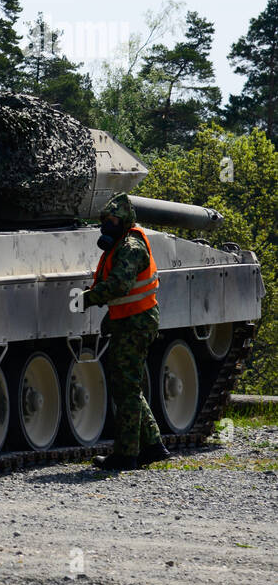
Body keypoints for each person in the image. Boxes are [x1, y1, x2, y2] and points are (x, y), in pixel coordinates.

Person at [82, 193, 170, 472]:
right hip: (130, 322)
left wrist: (86, 298)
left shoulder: (131, 247)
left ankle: (126, 454)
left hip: (136, 324)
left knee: (126, 390)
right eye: (104, 220)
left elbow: (119, 285)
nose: (107, 225)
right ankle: (154, 445)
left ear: (125, 220)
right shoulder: (121, 243)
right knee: (129, 386)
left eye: (112, 220)